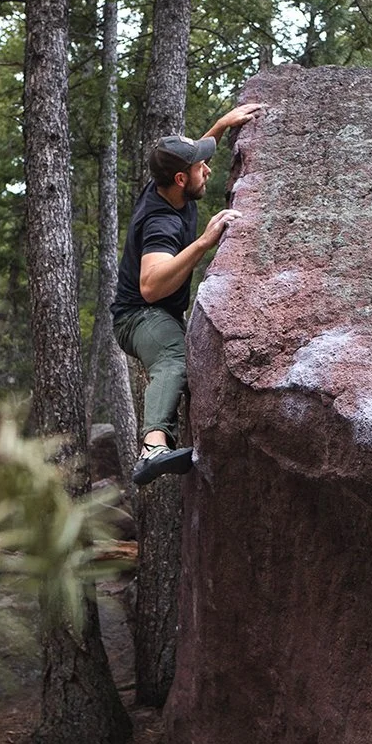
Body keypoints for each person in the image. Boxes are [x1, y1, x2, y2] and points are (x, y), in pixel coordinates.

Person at [112, 103, 263, 485]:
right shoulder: (160, 221)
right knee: (173, 357)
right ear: (181, 179)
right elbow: (150, 286)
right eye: (200, 167)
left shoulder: (168, 183)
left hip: (159, 312)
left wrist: (222, 124)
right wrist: (204, 242)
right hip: (138, 316)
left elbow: (192, 155)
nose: (207, 170)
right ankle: (152, 449)